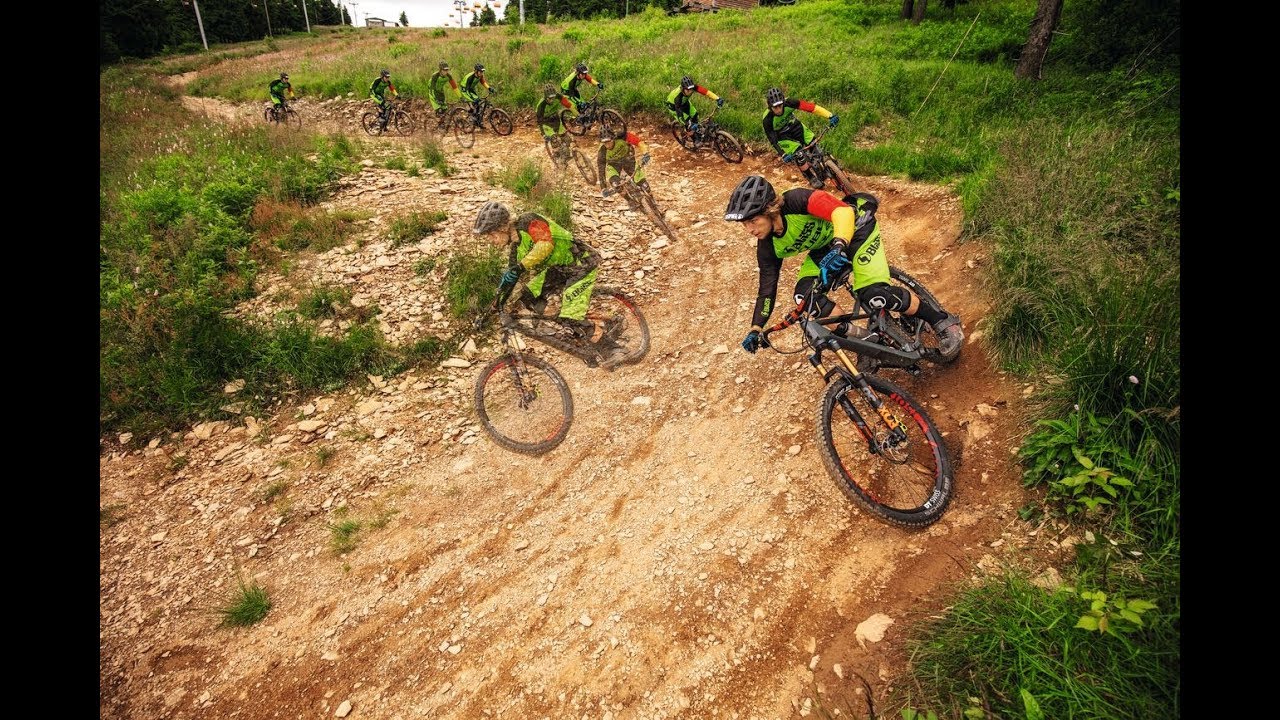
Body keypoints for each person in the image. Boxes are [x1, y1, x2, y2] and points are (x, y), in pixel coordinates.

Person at [724, 175, 963, 357]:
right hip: (826, 248)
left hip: (857, 228)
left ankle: (942, 321)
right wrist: (756, 327)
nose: (750, 230)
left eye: (753, 221)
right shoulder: (767, 245)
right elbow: (766, 290)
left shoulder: (796, 200)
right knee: (804, 298)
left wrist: (840, 245)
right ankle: (869, 341)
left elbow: (842, 212)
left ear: (770, 210)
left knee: (874, 294)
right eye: (745, 224)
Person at [473, 201, 610, 343]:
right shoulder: (516, 249)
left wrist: (521, 266)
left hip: (581, 263)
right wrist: (490, 312)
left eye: (491, 234)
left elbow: (545, 245)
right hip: (560, 269)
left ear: (502, 227)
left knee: (570, 317)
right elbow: (509, 281)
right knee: (527, 296)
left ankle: (612, 348)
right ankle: (574, 325)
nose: (490, 240)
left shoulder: (528, 221)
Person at [762, 87, 839, 189]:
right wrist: (783, 154)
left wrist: (830, 115)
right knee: (799, 155)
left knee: (815, 146)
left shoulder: (790, 102)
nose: (778, 109)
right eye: (775, 107)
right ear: (769, 107)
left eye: (780, 105)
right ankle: (810, 177)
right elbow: (773, 140)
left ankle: (837, 171)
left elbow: (811, 108)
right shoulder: (767, 119)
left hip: (796, 127)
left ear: (783, 101)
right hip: (783, 136)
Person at [597, 127, 652, 202]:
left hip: (628, 159)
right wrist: (603, 188)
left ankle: (651, 198)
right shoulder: (602, 151)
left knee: (643, 184)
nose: (607, 145)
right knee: (616, 185)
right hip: (614, 165)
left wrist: (646, 153)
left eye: (608, 141)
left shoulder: (622, 136)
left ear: (613, 138)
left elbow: (638, 142)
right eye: (604, 143)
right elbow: (601, 170)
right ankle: (630, 201)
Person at [666, 75, 723, 140]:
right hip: (674, 107)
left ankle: (696, 132)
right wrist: (688, 124)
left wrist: (717, 98)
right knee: (688, 121)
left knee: (695, 115)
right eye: (688, 90)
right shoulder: (678, 97)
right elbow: (680, 115)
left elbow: (706, 92)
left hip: (684, 102)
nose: (690, 91)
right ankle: (694, 139)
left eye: (691, 89)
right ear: (682, 89)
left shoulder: (691, 87)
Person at [537, 84, 574, 154]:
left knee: (567, 139)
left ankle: (566, 152)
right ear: (545, 97)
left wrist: (576, 114)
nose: (552, 100)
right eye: (549, 98)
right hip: (546, 123)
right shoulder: (541, 105)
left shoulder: (558, 96)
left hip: (556, 119)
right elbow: (539, 121)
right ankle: (557, 157)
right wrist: (543, 134)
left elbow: (568, 105)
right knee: (555, 140)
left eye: (553, 97)